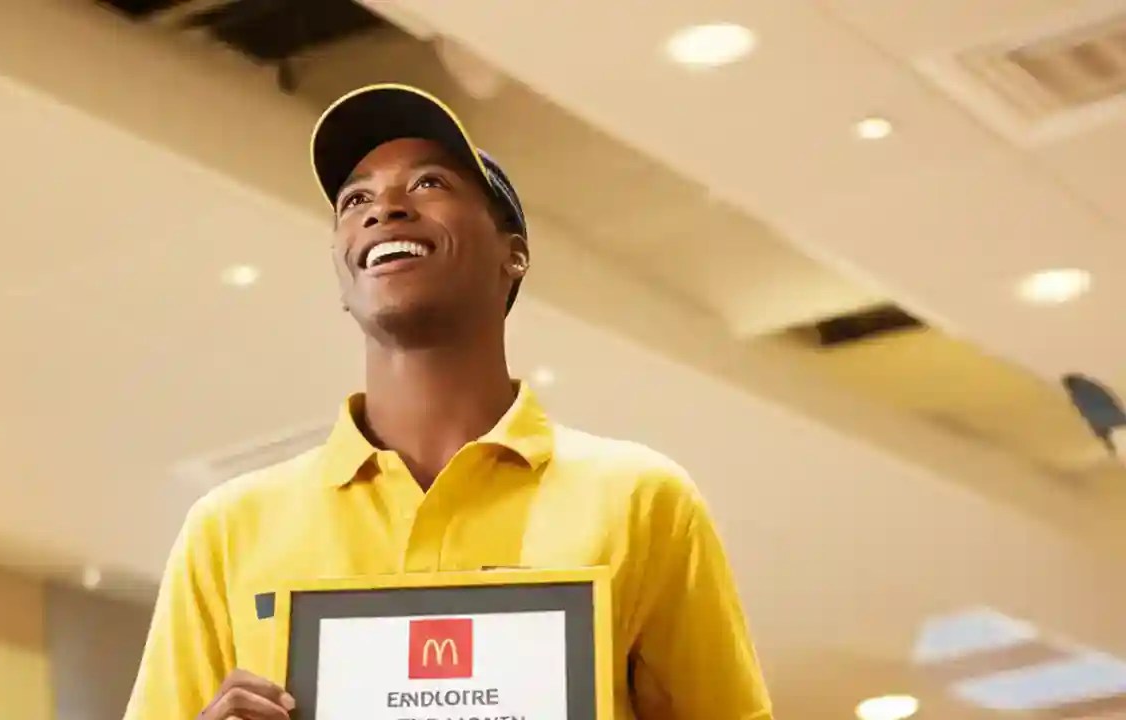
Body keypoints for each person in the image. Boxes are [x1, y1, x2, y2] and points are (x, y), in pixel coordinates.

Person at [124, 83, 772, 720]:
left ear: (512, 255)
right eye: (355, 199)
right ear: (343, 275)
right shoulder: (230, 529)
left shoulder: (641, 502)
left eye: (429, 183)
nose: (384, 209)